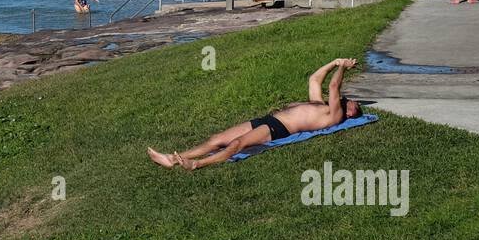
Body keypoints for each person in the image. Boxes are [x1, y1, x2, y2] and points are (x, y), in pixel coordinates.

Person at [148, 58, 362, 170]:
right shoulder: (320, 105)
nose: (353, 102)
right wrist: (334, 62)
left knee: (237, 144)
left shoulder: (334, 115)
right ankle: (173, 159)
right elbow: (314, 80)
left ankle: (196, 164)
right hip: (268, 120)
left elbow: (334, 86)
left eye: (355, 105)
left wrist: (343, 67)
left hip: (278, 129)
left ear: (351, 113)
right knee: (217, 139)